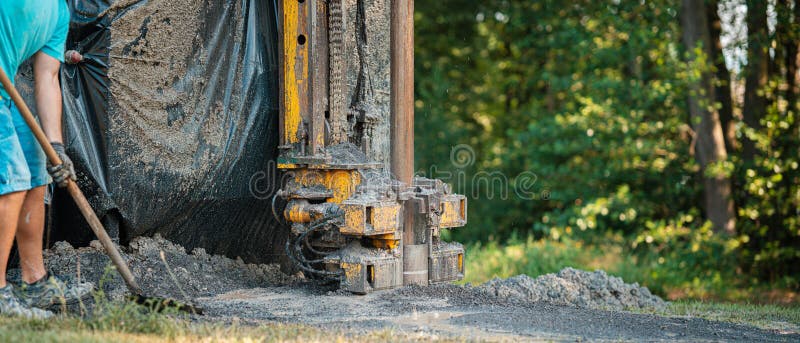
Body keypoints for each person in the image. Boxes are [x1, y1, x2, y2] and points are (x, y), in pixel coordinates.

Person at [0, 0, 92, 319]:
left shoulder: (57, 13)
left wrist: (57, 146)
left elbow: (48, 77)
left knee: (35, 168)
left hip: (4, 94)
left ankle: (33, 280)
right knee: (10, 181)